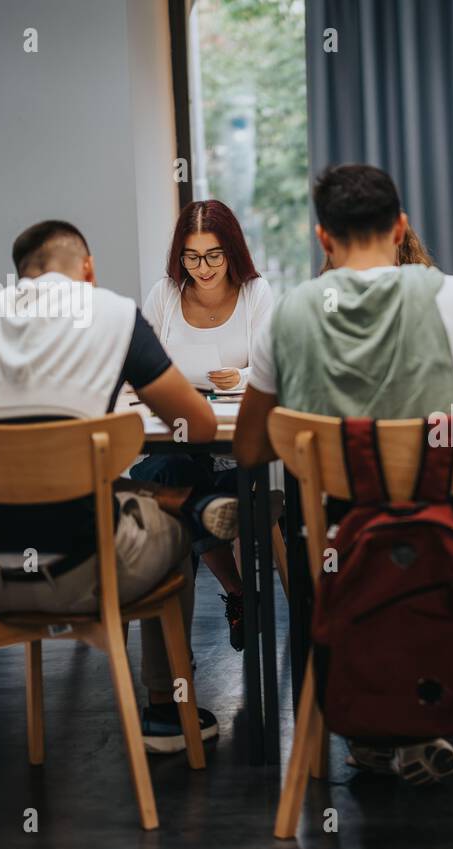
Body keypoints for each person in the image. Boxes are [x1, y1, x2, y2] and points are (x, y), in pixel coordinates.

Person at [234, 163, 453, 783]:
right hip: (449, 543)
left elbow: (247, 450)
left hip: (335, 551)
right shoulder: (451, 295)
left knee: (340, 560)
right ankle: (414, 714)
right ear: (400, 228)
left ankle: (375, 724)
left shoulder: (289, 314)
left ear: (323, 237)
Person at [0, 219, 228, 752]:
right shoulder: (114, 312)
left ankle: (184, 502)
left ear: (21, 276)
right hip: (87, 568)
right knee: (171, 522)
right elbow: (198, 427)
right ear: (89, 269)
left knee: (108, 488)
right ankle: (166, 711)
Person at [136, 200, 276, 651]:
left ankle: (170, 668)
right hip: (178, 431)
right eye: (192, 257)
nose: (203, 267)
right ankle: (238, 591)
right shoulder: (165, 294)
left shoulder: (256, 293)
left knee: (174, 490)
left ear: (232, 251)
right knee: (170, 474)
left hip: (239, 441)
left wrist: (242, 376)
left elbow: (277, 370)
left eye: (214, 255)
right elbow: (141, 364)